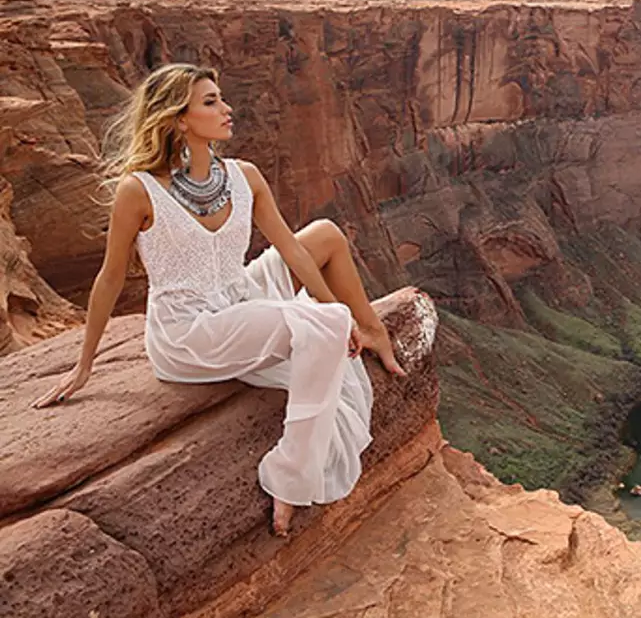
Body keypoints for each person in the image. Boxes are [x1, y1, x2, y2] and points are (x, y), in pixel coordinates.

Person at [31, 63, 417, 537]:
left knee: (325, 236)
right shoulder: (141, 190)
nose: (227, 109)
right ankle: (291, 477)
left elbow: (293, 248)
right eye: (210, 102)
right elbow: (109, 279)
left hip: (239, 296)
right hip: (189, 330)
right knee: (322, 325)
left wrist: (345, 316)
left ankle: (374, 328)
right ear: (177, 118)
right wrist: (84, 364)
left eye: (222, 97)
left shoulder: (243, 176)